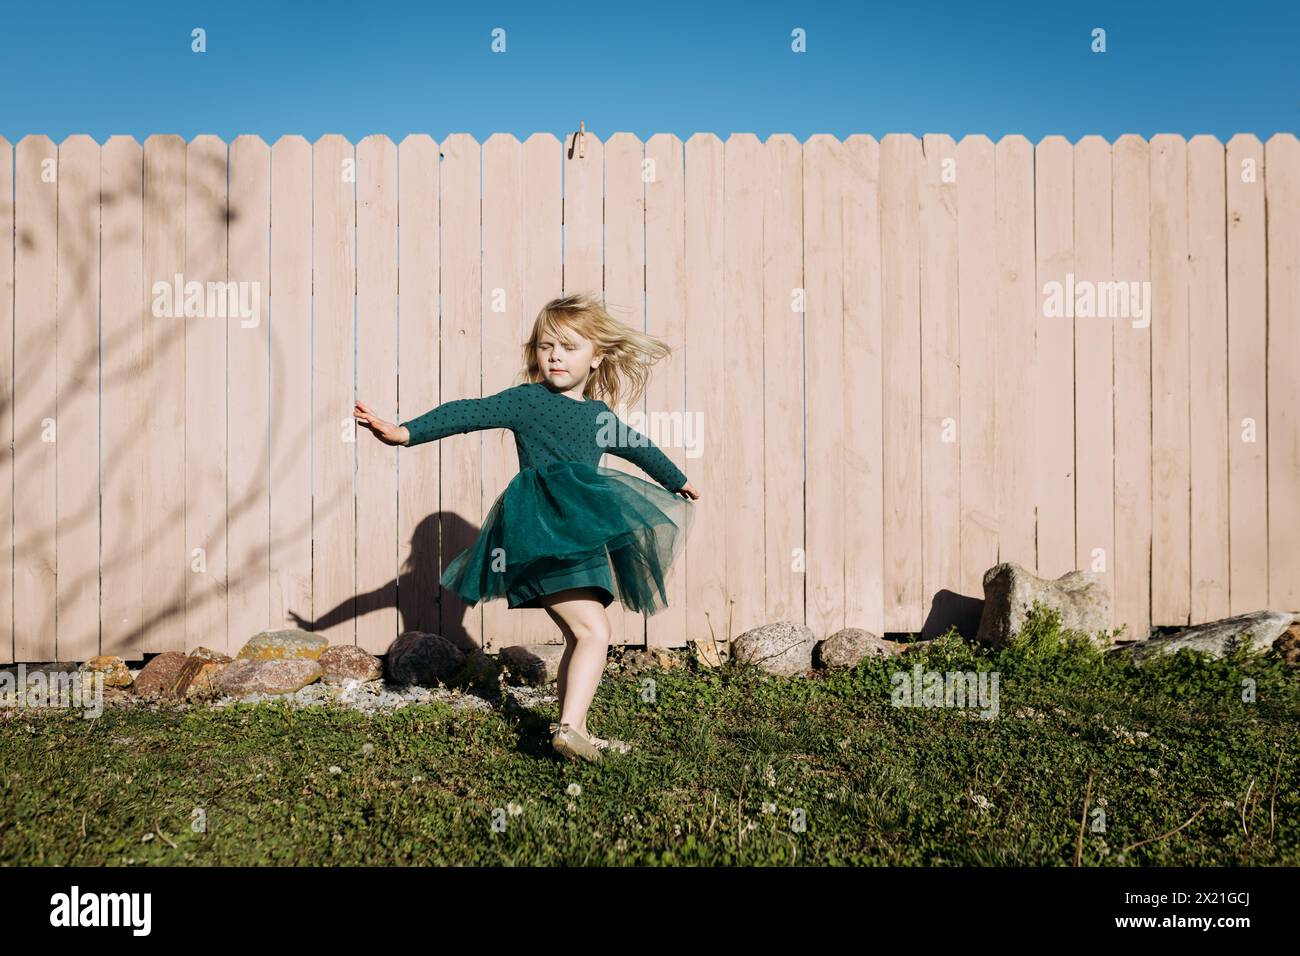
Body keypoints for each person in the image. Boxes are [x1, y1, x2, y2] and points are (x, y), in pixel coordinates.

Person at [354, 292, 700, 764]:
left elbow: (638, 446)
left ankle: (573, 727)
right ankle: (570, 730)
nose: (555, 355)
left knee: (586, 633)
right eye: (546, 346)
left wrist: (675, 478)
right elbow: (467, 411)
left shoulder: (598, 417)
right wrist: (405, 432)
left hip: (583, 532)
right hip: (540, 530)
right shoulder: (526, 402)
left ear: (597, 357)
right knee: (594, 632)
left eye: (569, 347)